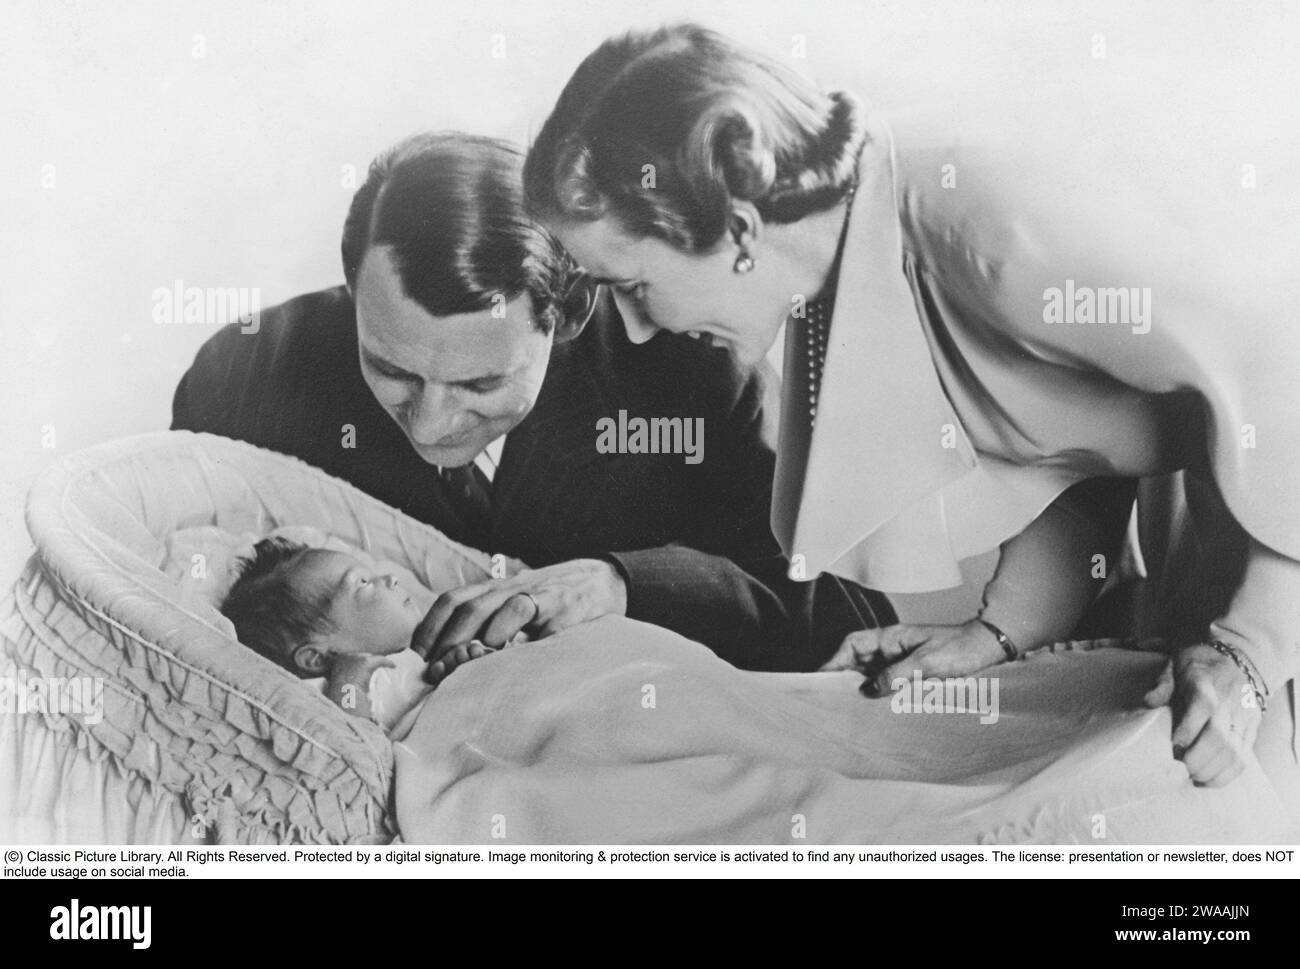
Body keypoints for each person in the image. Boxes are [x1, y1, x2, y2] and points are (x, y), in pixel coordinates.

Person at [522, 24, 1300, 798]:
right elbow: (1082, 431)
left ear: (738, 230)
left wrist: (1252, 653)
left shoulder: (991, 230)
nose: (638, 326)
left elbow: (1282, 364)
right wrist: (1000, 631)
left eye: (628, 285)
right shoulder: (873, 252)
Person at [173, 131, 894, 674]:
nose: (431, 423)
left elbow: (854, 618)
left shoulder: (700, 375)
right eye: (390, 368)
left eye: (482, 385)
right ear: (355, 288)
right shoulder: (248, 375)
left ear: (570, 313)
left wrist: (624, 584)